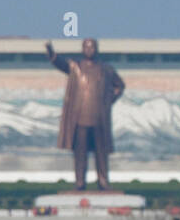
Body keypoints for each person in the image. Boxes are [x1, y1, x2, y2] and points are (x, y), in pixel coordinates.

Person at [45, 37, 125, 190]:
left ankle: (103, 181)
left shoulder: (106, 69)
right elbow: (58, 62)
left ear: (97, 49)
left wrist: (108, 100)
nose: (89, 50)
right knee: (80, 154)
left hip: (99, 119)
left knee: (101, 154)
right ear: (82, 49)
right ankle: (80, 182)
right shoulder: (75, 67)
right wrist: (50, 51)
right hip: (80, 119)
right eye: (86, 47)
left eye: (92, 47)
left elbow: (119, 86)